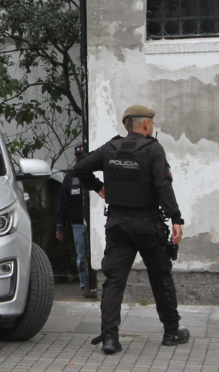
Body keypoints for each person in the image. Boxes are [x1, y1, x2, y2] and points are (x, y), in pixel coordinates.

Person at [72, 104, 188, 355]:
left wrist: (98, 187)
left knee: (114, 281)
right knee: (160, 278)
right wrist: (175, 218)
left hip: (118, 225)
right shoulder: (152, 149)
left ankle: (110, 338)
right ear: (145, 125)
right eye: (151, 124)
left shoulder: (110, 148)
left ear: (127, 126)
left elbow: (79, 168)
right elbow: (163, 186)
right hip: (148, 225)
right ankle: (171, 331)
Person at [56, 143, 96, 299]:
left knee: (95, 254)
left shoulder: (94, 173)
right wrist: (60, 225)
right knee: (81, 256)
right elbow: (63, 201)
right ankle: (84, 285)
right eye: (78, 158)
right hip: (78, 223)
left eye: (83, 158)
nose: (80, 161)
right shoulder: (71, 177)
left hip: (94, 223)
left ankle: (95, 283)